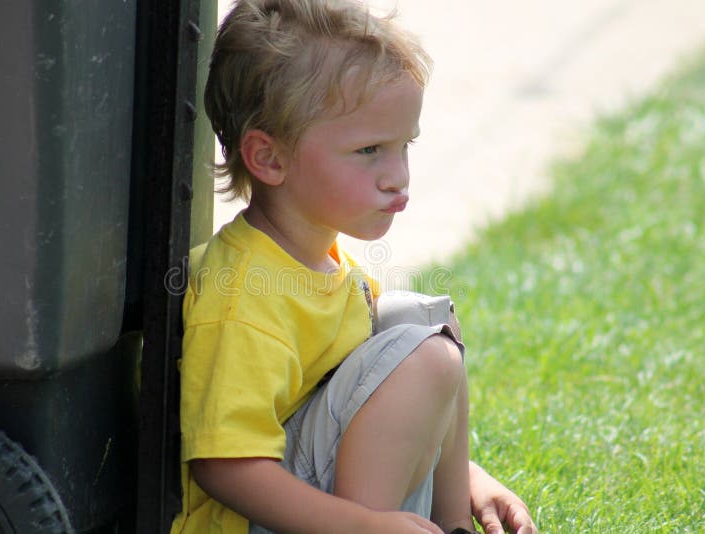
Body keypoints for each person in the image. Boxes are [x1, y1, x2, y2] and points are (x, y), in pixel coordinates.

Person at [172, 1, 538, 533]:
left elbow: (353, 409)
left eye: (403, 145)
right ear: (270, 159)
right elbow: (226, 468)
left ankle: (453, 516)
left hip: (320, 495)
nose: (398, 176)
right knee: (426, 356)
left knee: (417, 320)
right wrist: (360, 526)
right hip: (258, 522)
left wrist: (467, 476)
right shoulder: (242, 297)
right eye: (369, 149)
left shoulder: (319, 262)